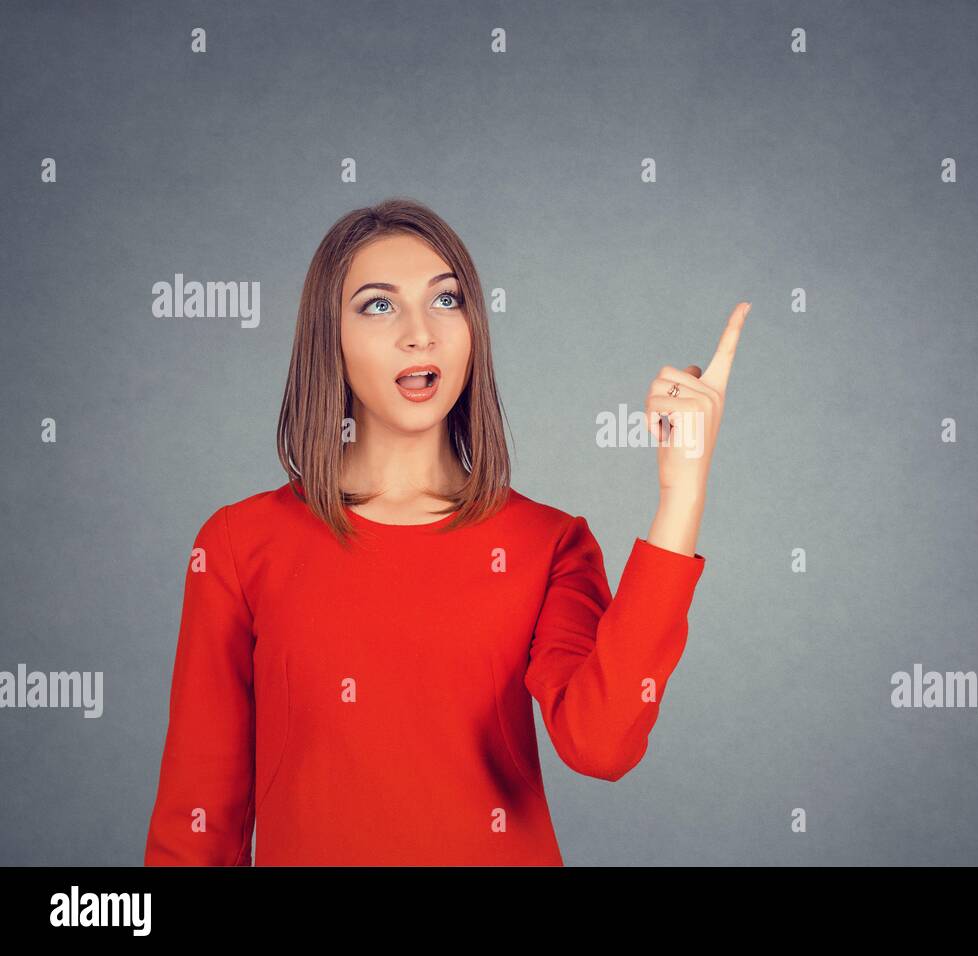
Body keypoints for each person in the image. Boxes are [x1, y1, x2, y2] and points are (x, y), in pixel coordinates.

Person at [143, 197, 748, 865]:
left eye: (446, 300)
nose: (419, 333)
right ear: (329, 339)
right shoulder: (238, 544)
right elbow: (197, 824)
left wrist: (681, 487)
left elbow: (601, 745)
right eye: (378, 304)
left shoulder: (547, 544)